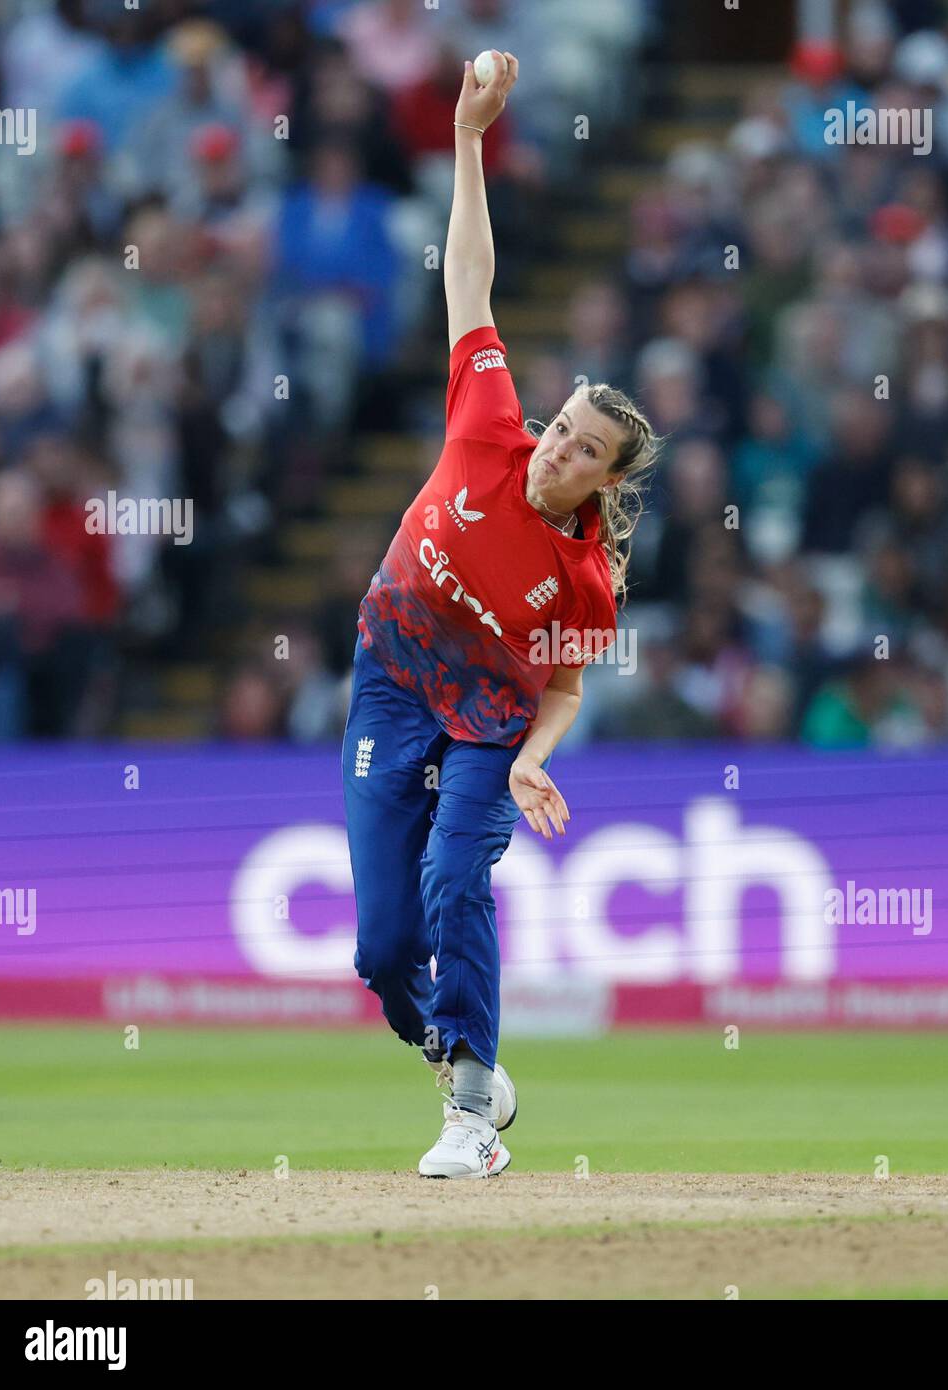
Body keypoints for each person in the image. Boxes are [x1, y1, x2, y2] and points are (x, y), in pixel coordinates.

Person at [341, 51, 659, 1178]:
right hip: (387, 681)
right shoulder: (487, 420)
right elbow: (466, 279)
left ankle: (471, 1110)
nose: (556, 448)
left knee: (451, 881)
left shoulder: (585, 583)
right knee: (383, 947)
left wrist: (533, 758)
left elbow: (566, 682)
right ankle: (450, 1048)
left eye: (582, 449)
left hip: (485, 727)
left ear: (604, 481)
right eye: (562, 423)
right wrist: (470, 140)